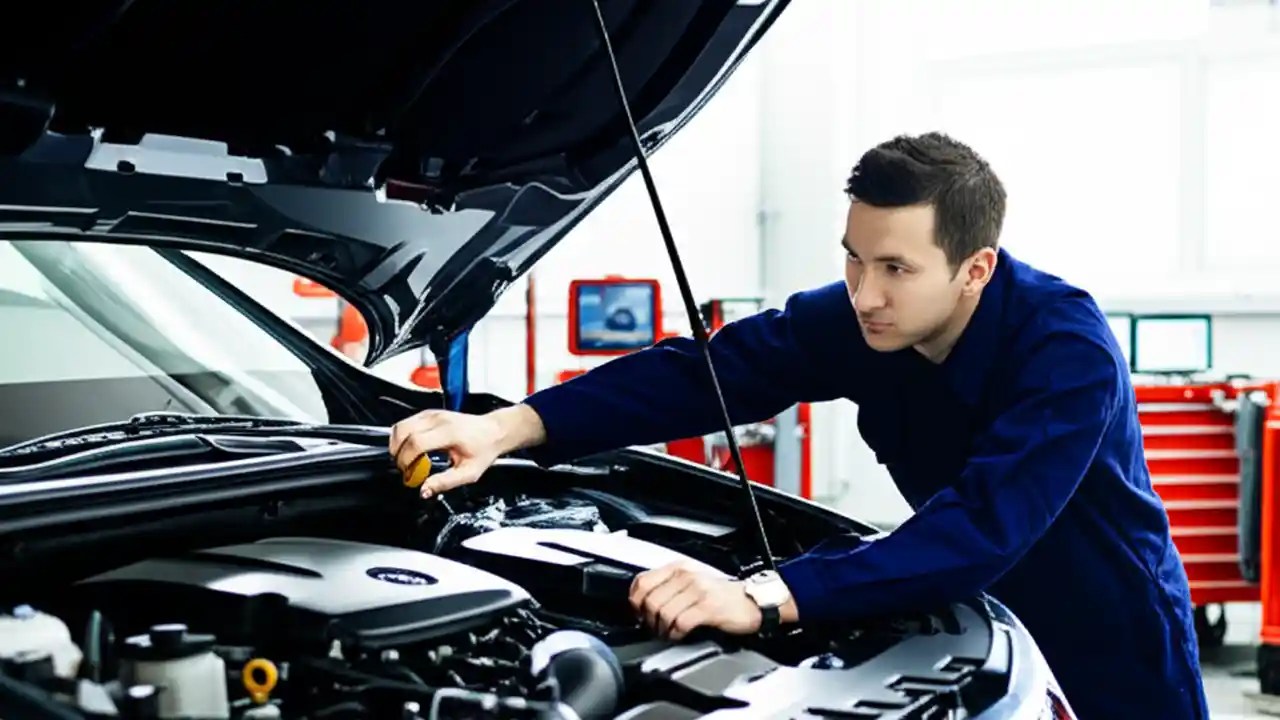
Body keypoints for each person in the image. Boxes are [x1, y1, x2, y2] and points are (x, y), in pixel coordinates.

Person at [388, 132, 1209, 719]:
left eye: (896, 268)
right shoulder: (855, 320)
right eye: (854, 256)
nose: (865, 293)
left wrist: (767, 598)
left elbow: (985, 527)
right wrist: (511, 428)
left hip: (1107, 636)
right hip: (953, 602)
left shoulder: (1065, 347)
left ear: (976, 270)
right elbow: (701, 375)